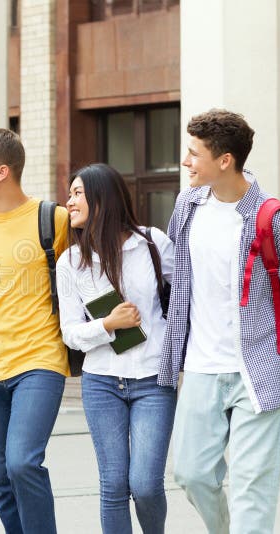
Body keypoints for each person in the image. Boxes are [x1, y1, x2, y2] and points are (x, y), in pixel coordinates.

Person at [159, 109, 280, 533]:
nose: (185, 162)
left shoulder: (275, 221)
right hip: (200, 368)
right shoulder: (187, 206)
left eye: (193, 153)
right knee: (192, 474)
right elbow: (174, 278)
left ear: (225, 161)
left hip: (259, 370)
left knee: (252, 488)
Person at [56, 163, 176, 534]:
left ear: (101, 198)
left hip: (153, 377)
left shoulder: (154, 243)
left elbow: (187, 298)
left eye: (77, 194)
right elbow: (71, 333)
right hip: (102, 382)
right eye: (70, 193)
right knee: (112, 485)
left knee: (145, 484)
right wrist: (109, 325)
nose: (69, 202)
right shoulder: (71, 262)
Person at [0, 128, 69, 533]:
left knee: (23, 461)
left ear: (2, 171)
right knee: (2, 480)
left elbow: (88, 277)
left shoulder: (53, 219)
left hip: (39, 359)